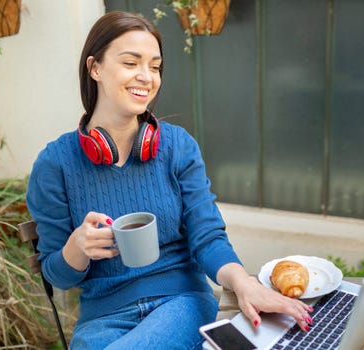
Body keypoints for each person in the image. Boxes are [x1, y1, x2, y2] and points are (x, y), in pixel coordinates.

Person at [26, 11, 313, 349]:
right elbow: (56, 275)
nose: (146, 77)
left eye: (155, 66)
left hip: (182, 303)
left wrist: (244, 282)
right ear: (95, 68)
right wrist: (77, 248)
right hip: (102, 319)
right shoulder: (54, 164)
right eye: (131, 63)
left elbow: (207, 237)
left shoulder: (178, 147)